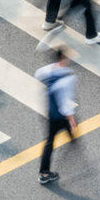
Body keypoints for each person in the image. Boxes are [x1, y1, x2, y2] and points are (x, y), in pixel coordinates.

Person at [36, 50, 78, 184]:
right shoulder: (68, 78)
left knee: (50, 141)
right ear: (62, 59)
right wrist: (72, 118)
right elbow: (65, 101)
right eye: (67, 57)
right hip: (59, 114)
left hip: (49, 111)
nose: (69, 59)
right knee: (63, 129)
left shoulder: (47, 70)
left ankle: (44, 172)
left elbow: (38, 74)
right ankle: (44, 173)